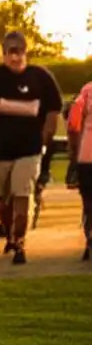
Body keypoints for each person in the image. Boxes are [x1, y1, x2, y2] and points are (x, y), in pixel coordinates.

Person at [0, 31, 63, 264]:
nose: (14, 58)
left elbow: (53, 110)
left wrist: (45, 138)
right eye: (10, 53)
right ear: (3, 55)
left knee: (22, 196)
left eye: (18, 52)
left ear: (25, 53)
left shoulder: (41, 78)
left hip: (29, 150)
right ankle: (8, 232)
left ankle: (20, 242)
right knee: (0, 202)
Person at [66, 81, 92, 260]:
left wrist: (73, 154)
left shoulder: (87, 91)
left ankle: (89, 239)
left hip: (87, 155)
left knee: (89, 202)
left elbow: (74, 125)